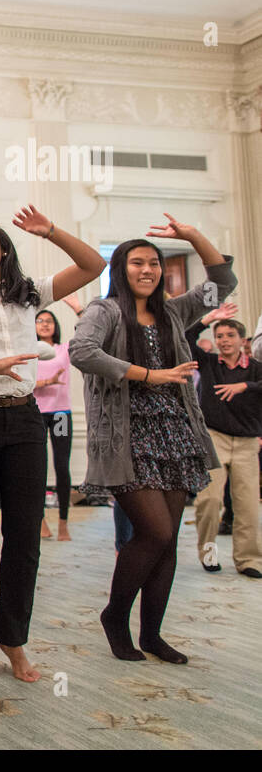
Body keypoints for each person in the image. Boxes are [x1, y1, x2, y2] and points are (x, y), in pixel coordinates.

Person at [70, 220, 235, 664]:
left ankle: (152, 635)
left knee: (167, 542)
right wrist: (148, 374)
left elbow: (223, 281)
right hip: (128, 436)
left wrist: (194, 237)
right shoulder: (103, 311)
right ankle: (114, 616)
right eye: (137, 262)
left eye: (154, 262)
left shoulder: (173, 313)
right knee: (155, 532)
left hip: (175, 433)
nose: (148, 269)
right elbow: (81, 353)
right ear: (120, 268)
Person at [0, 209, 104, 683]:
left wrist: (53, 229)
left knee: (23, 537)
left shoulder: (29, 292)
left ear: (3, 245)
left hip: (24, 417)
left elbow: (93, 266)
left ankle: (14, 638)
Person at [184, 305, 262, 578]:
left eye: (230, 335)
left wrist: (245, 386)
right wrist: (207, 318)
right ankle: (209, 554)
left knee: (248, 504)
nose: (225, 340)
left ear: (243, 340)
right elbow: (184, 337)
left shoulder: (255, 369)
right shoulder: (208, 364)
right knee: (210, 500)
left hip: (247, 441)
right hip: (214, 437)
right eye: (220, 336)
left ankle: (249, 560)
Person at [34, 297, 82, 541]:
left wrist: (77, 309)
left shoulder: (64, 349)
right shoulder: (29, 352)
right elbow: (22, 381)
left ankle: (64, 524)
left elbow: (86, 336)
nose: (44, 324)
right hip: (36, 414)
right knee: (37, 468)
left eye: (49, 321)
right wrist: (46, 383)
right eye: (40, 320)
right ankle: (41, 521)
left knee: (62, 467)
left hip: (61, 414)